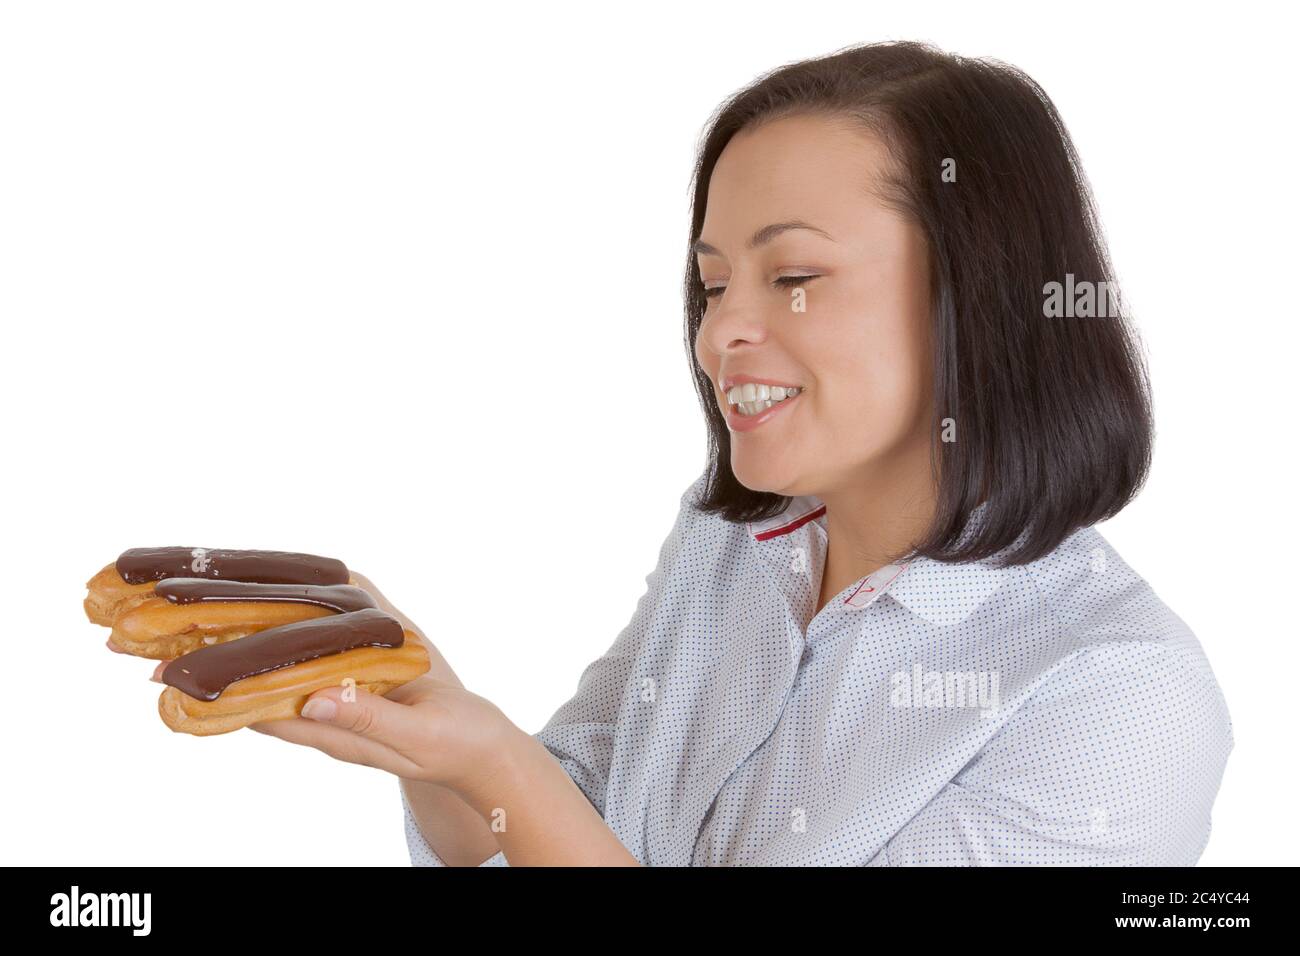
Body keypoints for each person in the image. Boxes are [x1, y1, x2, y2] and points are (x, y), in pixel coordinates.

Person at [250, 40, 1234, 865]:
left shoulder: (1116, 696)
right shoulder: (731, 544)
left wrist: (496, 762)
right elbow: (549, 824)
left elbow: (536, 805)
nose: (720, 334)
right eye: (715, 285)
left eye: (793, 274)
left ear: (978, 296)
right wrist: (431, 726)